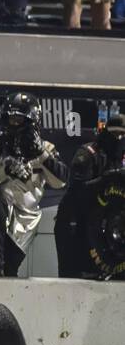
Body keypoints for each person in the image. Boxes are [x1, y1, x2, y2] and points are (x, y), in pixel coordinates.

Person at [0, 92, 67, 277]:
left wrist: (40, 154)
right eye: (10, 118)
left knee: (10, 268)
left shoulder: (46, 147)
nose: (13, 124)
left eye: (18, 119)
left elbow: (60, 181)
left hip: (26, 215)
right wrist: (4, 169)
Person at [55, 113, 125, 278]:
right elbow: (75, 193)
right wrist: (106, 179)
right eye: (114, 134)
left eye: (122, 135)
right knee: (75, 277)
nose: (118, 139)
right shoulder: (88, 154)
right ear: (105, 133)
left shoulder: (121, 158)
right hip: (75, 224)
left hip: (107, 230)